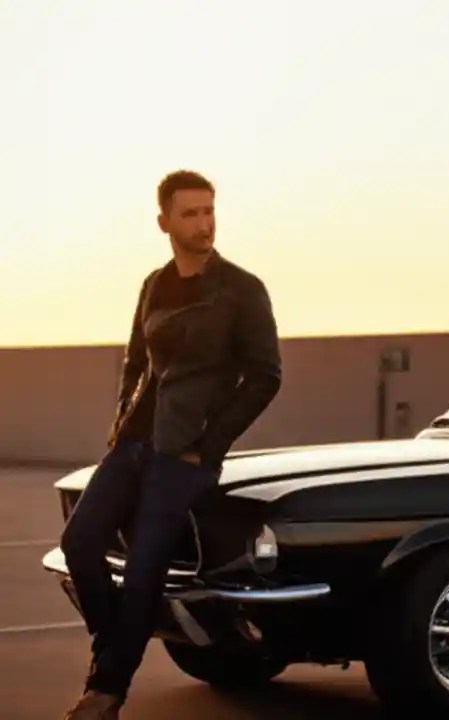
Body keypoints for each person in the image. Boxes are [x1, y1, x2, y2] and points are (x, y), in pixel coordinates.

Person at [61, 170, 282, 719]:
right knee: (79, 544)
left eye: (209, 211)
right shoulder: (154, 285)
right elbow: (136, 362)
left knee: (143, 571)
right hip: (133, 445)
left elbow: (265, 376)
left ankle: (106, 690)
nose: (204, 223)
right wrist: (119, 427)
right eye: (190, 213)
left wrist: (208, 446)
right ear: (165, 222)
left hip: (183, 454)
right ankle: (115, 646)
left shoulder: (241, 290)